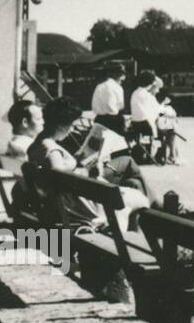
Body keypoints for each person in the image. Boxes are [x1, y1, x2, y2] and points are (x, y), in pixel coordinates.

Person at [28, 97, 160, 229]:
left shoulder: (38, 145)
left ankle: (160, 216)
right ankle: (162, 217)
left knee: (134, 184)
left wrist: (79, 166)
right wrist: (89, 172)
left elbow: (58, 175)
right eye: (71, 126)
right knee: (139, 196)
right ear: (61, 126)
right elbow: (59, 179)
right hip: (82, 208)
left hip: (69, 203)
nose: (71, 131)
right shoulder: (51, 149)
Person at [128, 71, 162, 160]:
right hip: (146, 124)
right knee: (166, 130)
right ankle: (160, 156)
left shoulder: (135, 93)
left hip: (136, 123)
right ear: (150, 83)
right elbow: (156, 109)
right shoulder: (146, 95)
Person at [90, 64, 127, 133]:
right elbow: (121, 106)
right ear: (119, 75)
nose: (123, 79)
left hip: (99, 120)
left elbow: (94, 104)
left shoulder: (99, 86)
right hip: (114, 121)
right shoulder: (117, 87)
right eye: (123, 76)